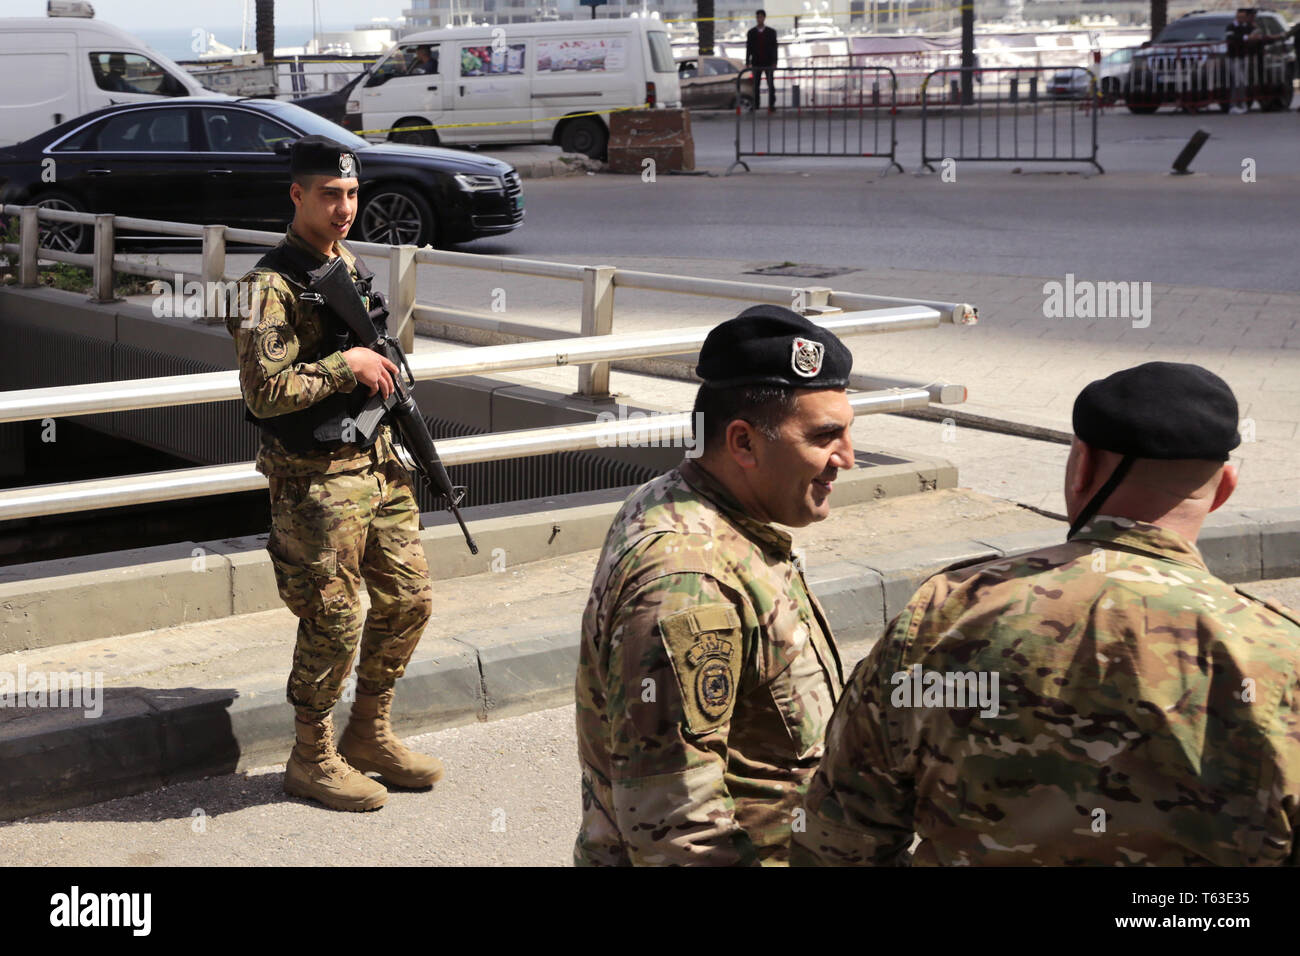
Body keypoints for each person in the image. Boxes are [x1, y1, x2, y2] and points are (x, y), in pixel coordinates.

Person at [792, 362, 1300, 866]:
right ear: (1226, 488)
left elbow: (839, 842)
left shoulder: (944, 612)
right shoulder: (1279, 655)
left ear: (1081, 468)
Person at [574, 306, 855, 866]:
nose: (846, 458)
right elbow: (679, 832)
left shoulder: (693, 507)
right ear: (743, 443)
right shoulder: (688, 583)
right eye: (826, 437)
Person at [227, 135, 441, 812]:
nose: (344, 207)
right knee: (334, 617)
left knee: (410, 600)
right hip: (314, 483)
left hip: (377, 465)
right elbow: (263, 393)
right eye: (329, 195)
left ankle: (369, 733)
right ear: (297, 195)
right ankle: (311, 755)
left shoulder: (345, 261)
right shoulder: (269, 285)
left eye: (351, 193)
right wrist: (342, 368)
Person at [1226, 8, 1262, 114]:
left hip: (1244, 57)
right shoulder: (1231, 26)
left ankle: (1241, 104)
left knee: (1242, 82)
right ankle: (1235, 104)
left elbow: (1258, 34)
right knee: (1238, 81)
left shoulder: (1246, 26)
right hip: (1233, 57)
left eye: (1243, 17)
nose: (1241, 19)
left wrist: (1255, 32)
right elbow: (1231, 37)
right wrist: (1246, 37)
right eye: (1239, 17)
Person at [746, 9, 780, 112]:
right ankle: (756, 105)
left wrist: (774, 62)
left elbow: (774, 47)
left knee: (771, 85)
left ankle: (771, 105)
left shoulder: (771, 32)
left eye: (761, 17)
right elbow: (749, 48)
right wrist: (748, 61)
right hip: (756, 62)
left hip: (768, 62)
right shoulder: (751, 32)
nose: (759, 19)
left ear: (764, 18)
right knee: (756, 85)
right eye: (758, 17)